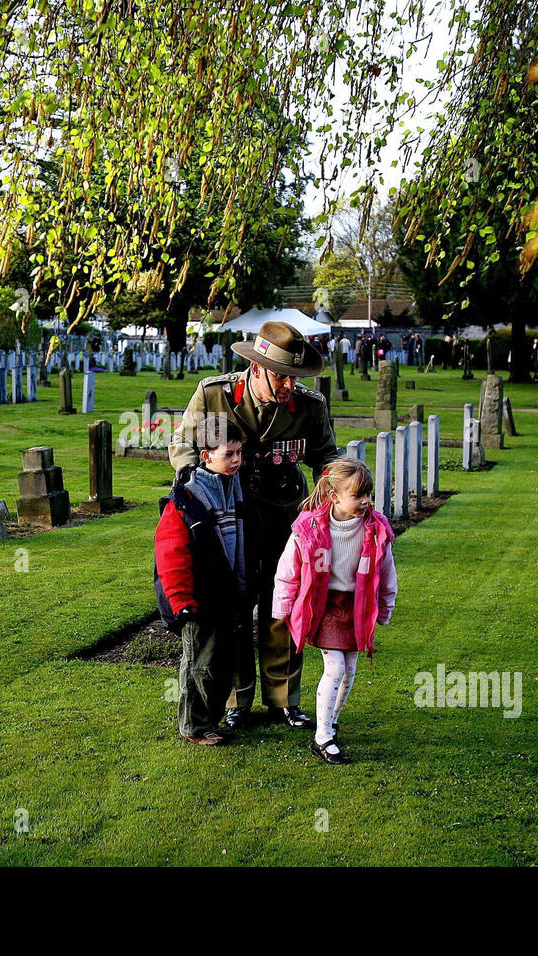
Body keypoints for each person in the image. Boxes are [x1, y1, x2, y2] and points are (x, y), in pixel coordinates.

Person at [169, 321, 339, 731]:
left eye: (294, 377)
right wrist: (205, 496)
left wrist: (334, 503)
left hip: (285, 518)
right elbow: (183, 448)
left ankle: (283, 699)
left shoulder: (310, 406)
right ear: (257, 368)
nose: (288, 386)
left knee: (283, 606)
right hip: (230, 521)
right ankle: (236, 698)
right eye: (281, 376)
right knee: (234, 608)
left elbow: (327, 461)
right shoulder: (215, 395)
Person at [272, 459, 396, 765]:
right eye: (359, 495)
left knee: (350, 669)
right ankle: (322, 738)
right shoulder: (309, 529)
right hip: (324, 606)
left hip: (357, 607)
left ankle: (331, 721)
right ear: (334, 495)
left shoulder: (376, 529)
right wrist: (282, 608)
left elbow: (387, 571)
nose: (366, 501)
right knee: (336, 668)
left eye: (369, 494)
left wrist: (385, 607)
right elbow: (287, 571)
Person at [155, 419, 250, 745]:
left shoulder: (233, 487)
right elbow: (171, 556)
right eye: (230, 454)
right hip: (198, 599)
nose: (237, 460)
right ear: (206, 455)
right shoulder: (186, 500)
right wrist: (181, 603)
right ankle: (194, 727)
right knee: (199, 667)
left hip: (225, 595)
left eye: (240, 453)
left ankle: (210, 721)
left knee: (222, 664)